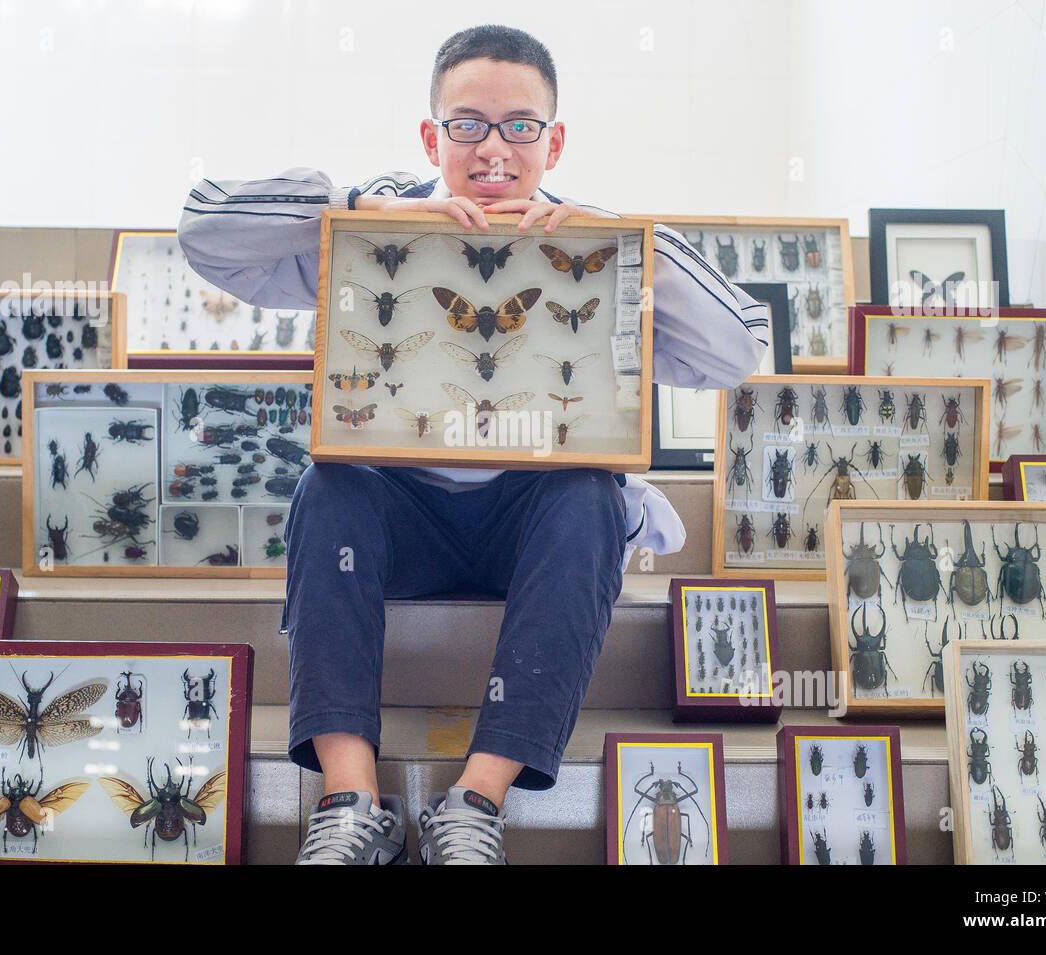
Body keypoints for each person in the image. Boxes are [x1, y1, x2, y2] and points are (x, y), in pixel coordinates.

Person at [179, 24, 766, 864]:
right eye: (468, 124)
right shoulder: (373, 216)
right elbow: (202, 228)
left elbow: (738, 351)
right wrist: (368, 213)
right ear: (432, 135)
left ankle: (475, 801)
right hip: (396, 518)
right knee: (327, 486)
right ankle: (351, 800)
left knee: (592, 496)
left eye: (520, 124)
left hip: (530, 525)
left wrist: (640, 254)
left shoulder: (598, 241)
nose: (494, 147)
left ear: (553, 140)